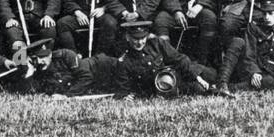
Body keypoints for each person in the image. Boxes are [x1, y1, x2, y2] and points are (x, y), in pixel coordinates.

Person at [68, 20, 214, 97]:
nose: (139, 42)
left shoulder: (157, 43)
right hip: (166, 87)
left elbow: (179, 59)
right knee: (200, 91)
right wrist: (125, 96)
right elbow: (123, 88)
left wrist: (196, 77)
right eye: (135, 39)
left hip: (183, 72)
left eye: (143, 38)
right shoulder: (124, 60)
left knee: (210, 74)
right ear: (127, 37)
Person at [217, 0, 274, 94]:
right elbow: (249, 53)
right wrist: (254, 72)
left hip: (270, 75)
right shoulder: (254, 27)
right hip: (249, 68)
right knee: (238, 41)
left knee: (268, 82)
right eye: (264, 13)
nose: (266, 17)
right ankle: (222, 83)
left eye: (270, 13)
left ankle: (230, 88)